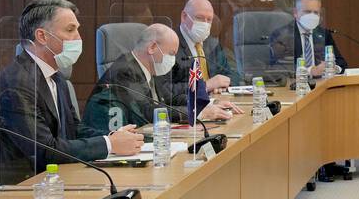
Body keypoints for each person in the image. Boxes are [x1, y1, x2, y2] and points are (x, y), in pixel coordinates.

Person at [0, 0, 143, 186]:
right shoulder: (16, 84)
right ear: (42, 36)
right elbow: (43, 151)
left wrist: (112, 136)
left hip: (45, 180)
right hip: (4, 188)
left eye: (78, 29)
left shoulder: (55, 76)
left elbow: (74, 130)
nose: (79, 38)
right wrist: (109, 145)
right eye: (70, 30)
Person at [83, 24, 241, 133]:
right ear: (152, 48)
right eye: (171, 53)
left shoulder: (150, 67)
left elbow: (170, 99)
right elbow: (147, 111)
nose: (172, 59)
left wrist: (207, 103)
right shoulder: (125, 71)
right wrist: (198, 112)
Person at [171, 0, 240, 101]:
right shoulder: (170, 45)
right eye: (199, 18)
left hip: (217, 102)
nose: (205, 24)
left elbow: (233, 74)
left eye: (209, 20)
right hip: (188, 110)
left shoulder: (212, 44)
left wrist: (221, 85)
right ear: (184, 17)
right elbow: (166, 91)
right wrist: (205, 86)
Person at [269, 0, 347, 75]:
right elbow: (278, 67)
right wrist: (310, 71)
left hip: (321, 84)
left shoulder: (323, 34)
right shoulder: (282, 35)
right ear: (295, 13)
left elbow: (341, 63)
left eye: (316, 12)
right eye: (307, 12)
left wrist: (333, 68)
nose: (312, 16)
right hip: (296, 85)